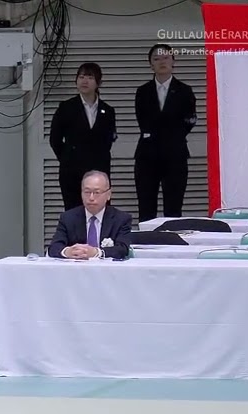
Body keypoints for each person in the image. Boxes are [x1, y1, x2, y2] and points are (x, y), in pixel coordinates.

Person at [133, 43, 197, 221]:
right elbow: (143, 122)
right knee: (146, 207)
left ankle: (172, 243)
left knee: (174, 207)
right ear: (150, 64)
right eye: (156, 59)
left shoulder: (185, 91)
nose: (162, 62)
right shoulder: (142, 92)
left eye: (166, 57)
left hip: (175, 154)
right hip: (147, 155)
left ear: (173, 61)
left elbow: (189, 120)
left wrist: (172, 135)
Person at [49, 62, 117, 210]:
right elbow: (55, 139)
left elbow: (108, 141)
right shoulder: (66, 107)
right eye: (81, 77)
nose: (84, 81)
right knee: (74, 212)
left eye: (90, 77)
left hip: (99, 170)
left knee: (101, 212)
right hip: (72, 171)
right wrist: (68, 158)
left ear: (98, 82)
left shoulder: (108, 110)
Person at [47, 170, 133, 260]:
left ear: (108, 195)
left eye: (96, 192)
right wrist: (68, 251)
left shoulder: (121, 219)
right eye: (87, 192)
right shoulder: (68, 218)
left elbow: (122, 249)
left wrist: (96, 252)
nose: (91, 198)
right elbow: (54, 247)